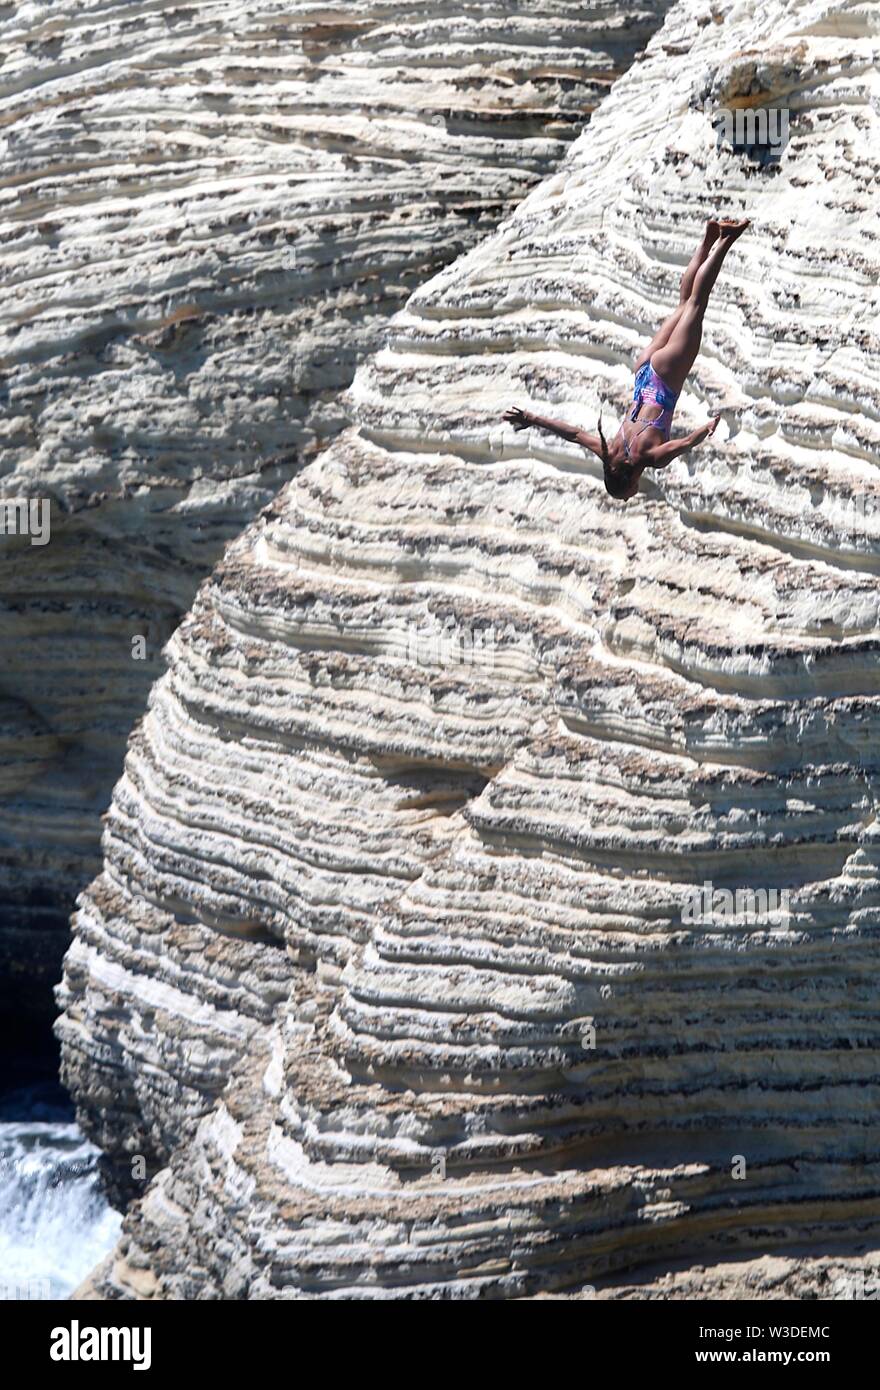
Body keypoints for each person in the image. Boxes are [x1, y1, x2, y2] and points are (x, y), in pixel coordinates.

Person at [502, 218, 750, 499]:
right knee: (683, 304)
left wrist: (706, 429)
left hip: (666, 377)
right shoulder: (608, 450)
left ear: (629, 480)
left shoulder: (650, 458)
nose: (634, 493)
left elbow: (684, 444)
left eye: (630, 492)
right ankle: (709, 236)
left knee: (696, 303)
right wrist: (531, 418)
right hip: (644, 370)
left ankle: (725, 239)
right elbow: (572, 434)